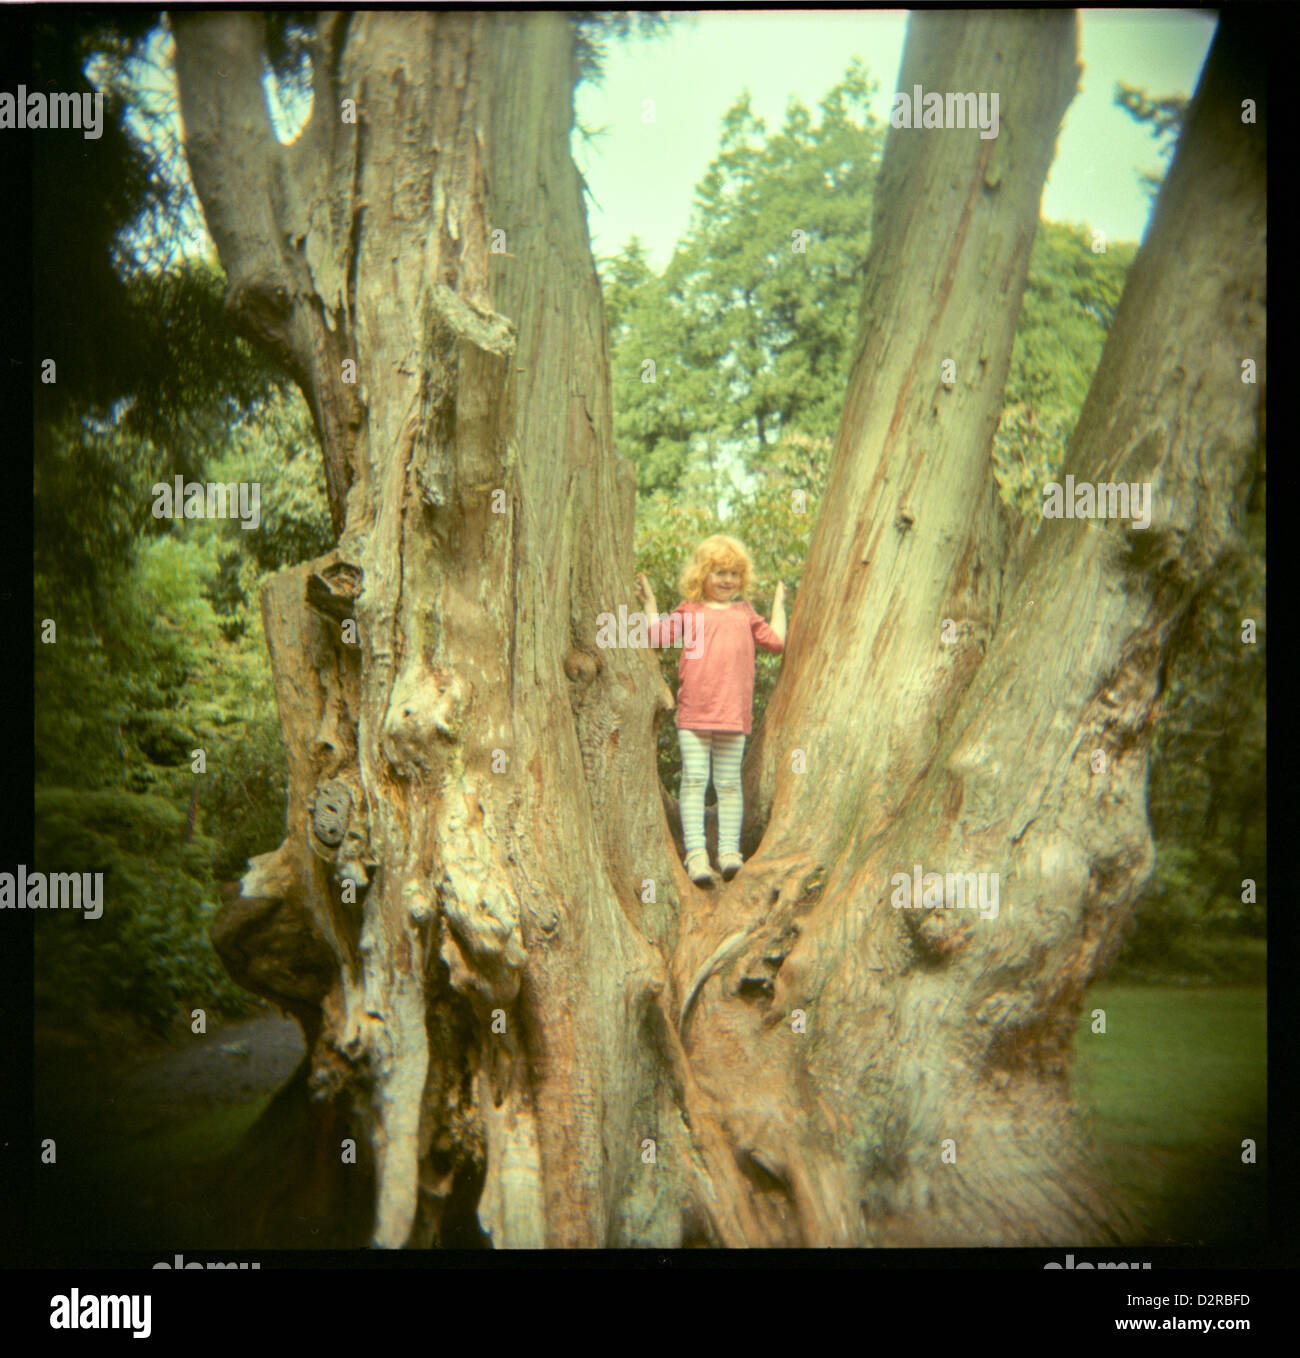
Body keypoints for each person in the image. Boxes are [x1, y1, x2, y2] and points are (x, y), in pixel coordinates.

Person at [637, 534, 787, 887]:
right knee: (692, 780)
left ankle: (730, 855)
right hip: (694, 716)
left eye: (734, 573)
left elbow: (777, 642)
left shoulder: (745, 613)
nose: (727, 580)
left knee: (729, 785)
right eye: (719, 572)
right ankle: (697, 857)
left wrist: (781, 603)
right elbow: (656, 637)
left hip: (732, 717)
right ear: (701, 574)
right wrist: (650, 603)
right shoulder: (689, 610)